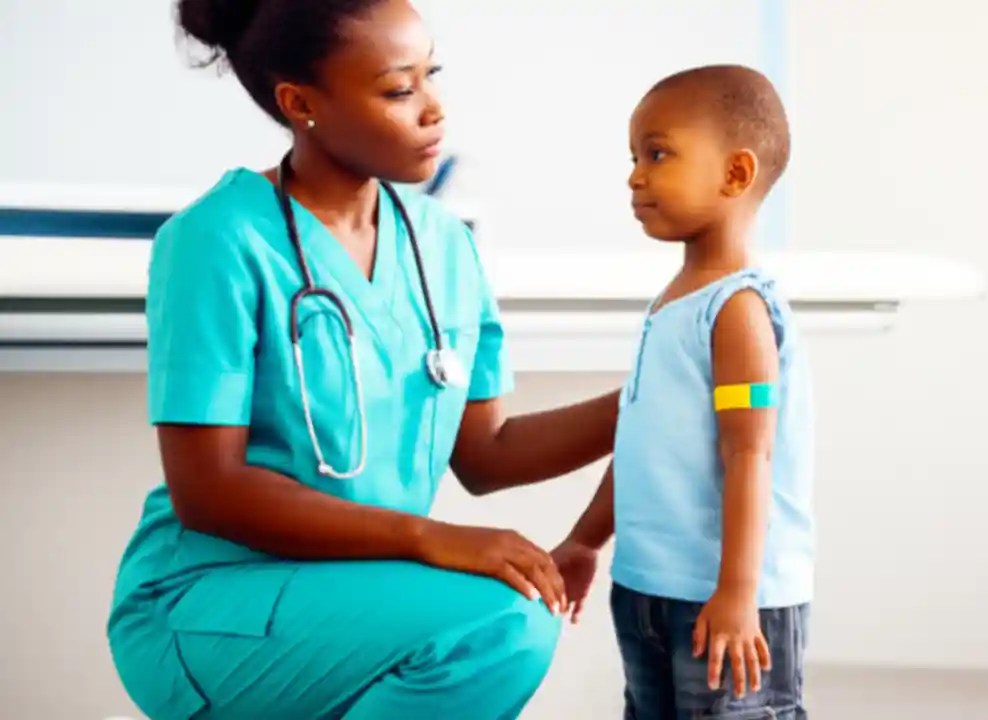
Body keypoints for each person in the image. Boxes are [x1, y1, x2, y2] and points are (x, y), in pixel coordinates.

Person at [105, 1, 619, 718]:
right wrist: (427, 537)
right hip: (211, 599)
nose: (434, 109)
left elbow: (487, 453)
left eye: (431, 76)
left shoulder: (446, 247)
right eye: (399, 89)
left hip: (357, 593)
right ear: (301, 102)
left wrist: (642, 404)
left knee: (508, 611)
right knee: (500, 622)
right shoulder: (216, 240)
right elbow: (208, 491)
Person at [550, 65, 815, 719]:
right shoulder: (671, 307)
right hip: (647, 590)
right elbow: (639, 440)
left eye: (658, 154)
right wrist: (586, 540)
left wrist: (737, 591)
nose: (636, 175)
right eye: (635, 157)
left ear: (735, 174)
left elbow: (748, 456)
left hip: (724, 598)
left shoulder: (737, 312)